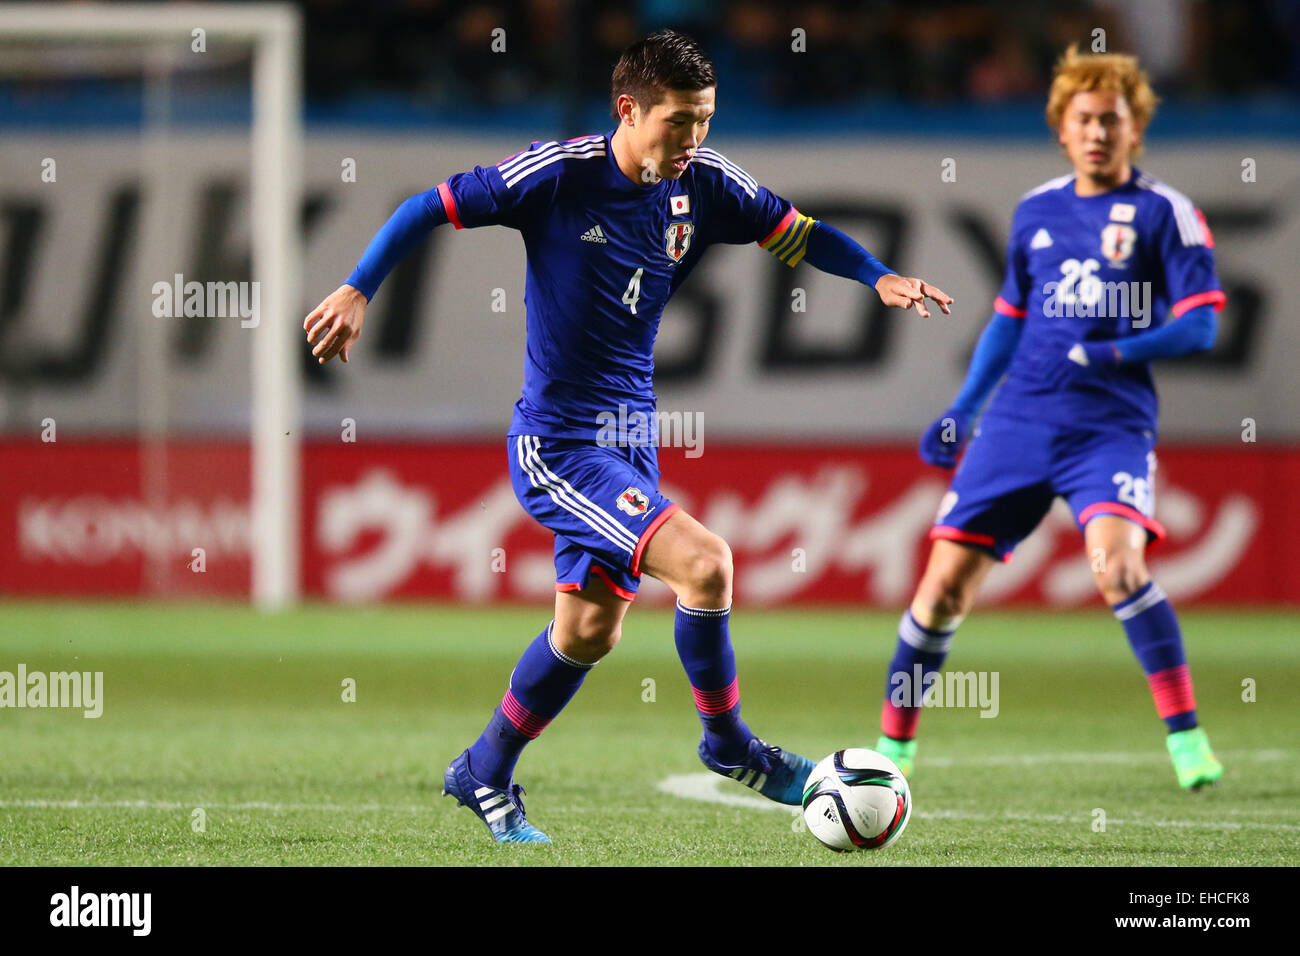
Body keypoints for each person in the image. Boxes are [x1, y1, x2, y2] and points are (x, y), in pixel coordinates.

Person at [305, 30, 952, 843]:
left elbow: (797, 230)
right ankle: (730, 744)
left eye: (706, 120)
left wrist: (878, 276)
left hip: (631, 437)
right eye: (679, 122)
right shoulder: (559, 173)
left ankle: (481, 771)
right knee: (706, 562)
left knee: (587, 632)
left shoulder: (706, 185)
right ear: (628, 110)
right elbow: (425, 206)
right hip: (560, 443)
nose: (694, 140)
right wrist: (358, 288)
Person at [873, 45, 1225, 791]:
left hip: (1109, 427)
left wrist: (1111, 355)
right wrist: (965, 409)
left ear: (1137, 129)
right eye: (1084, 120)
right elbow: (1008, 318)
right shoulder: (1037, 210)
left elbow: (1200, 326)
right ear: (1062, 129)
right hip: (1017, 423)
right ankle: (893, 751)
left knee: (1117, 568)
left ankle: (1188, 741)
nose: (1098, 132)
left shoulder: (1168, 214)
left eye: (1113, 120)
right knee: (939, 590)